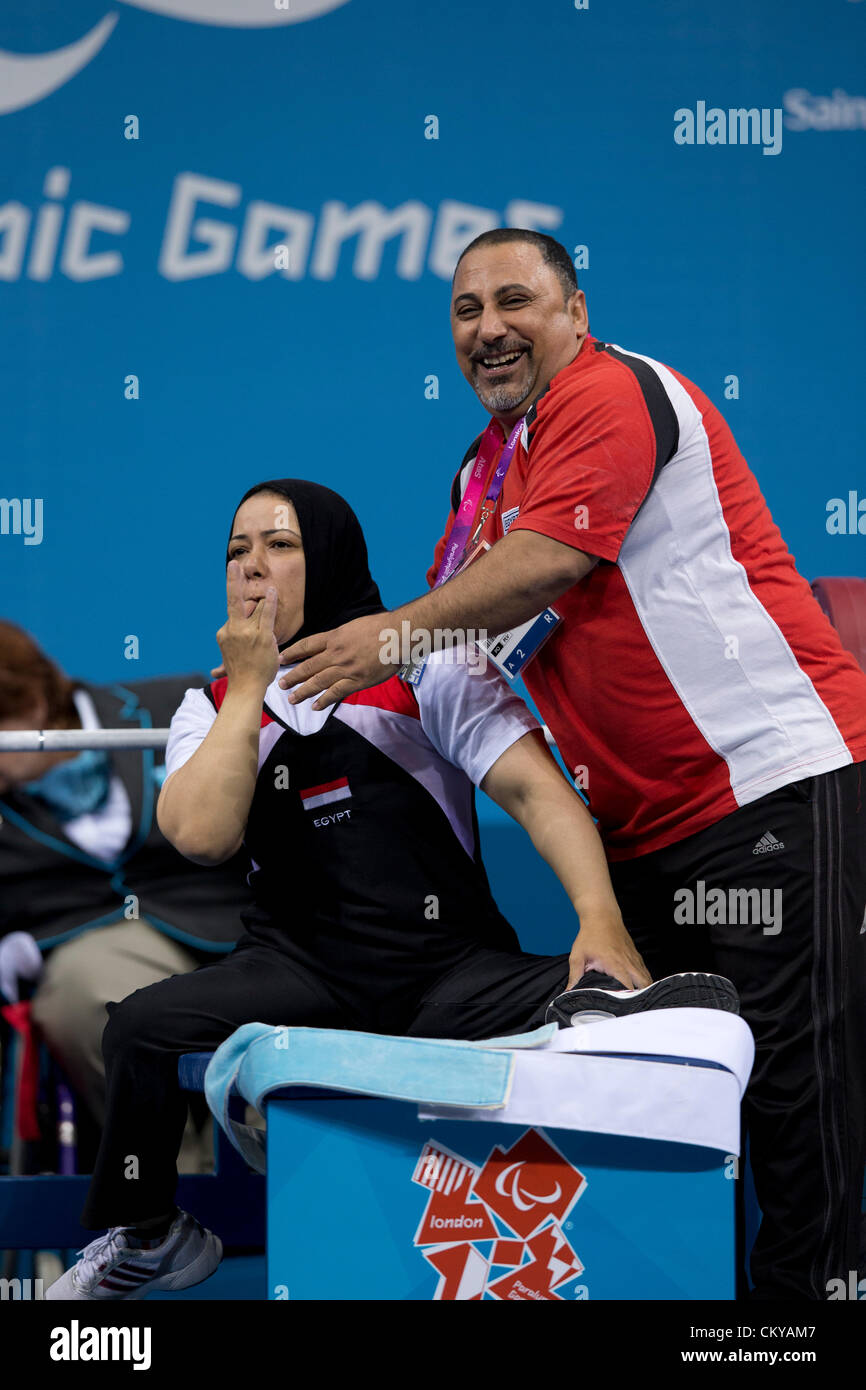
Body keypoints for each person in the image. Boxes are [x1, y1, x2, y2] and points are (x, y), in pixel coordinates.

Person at [274, 230, 866, 1302]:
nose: (488, 327)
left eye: (514, 301)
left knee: (792, 1087)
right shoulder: (481, 471)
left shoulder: (607, 392)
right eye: (464, 311)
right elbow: (466, 644)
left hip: (767, 782)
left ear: (575, 313)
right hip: (641, 831)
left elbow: (543, 566)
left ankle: (805, 1320)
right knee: (679, 1096)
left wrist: (385, 637)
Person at [45, 477, 733, 1300]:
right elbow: (202, 835)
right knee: (142, 1028)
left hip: (448, 976)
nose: (252, 568)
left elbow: (536, 794)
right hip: (299, 975)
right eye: (236, 551)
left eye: (280, 545)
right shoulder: (213, 704)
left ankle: (650, 1228)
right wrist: (251, 687)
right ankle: (152, 1235)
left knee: (645, 992)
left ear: (332, 556)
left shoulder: (423, 667)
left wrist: (599, 921)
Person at [0, 621, 252, 1161]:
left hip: (244, 932)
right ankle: (174, 1198)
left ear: (33, 703)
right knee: (84, 995)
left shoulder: (181, 705)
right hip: (101, 957)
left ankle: (277, 1182)